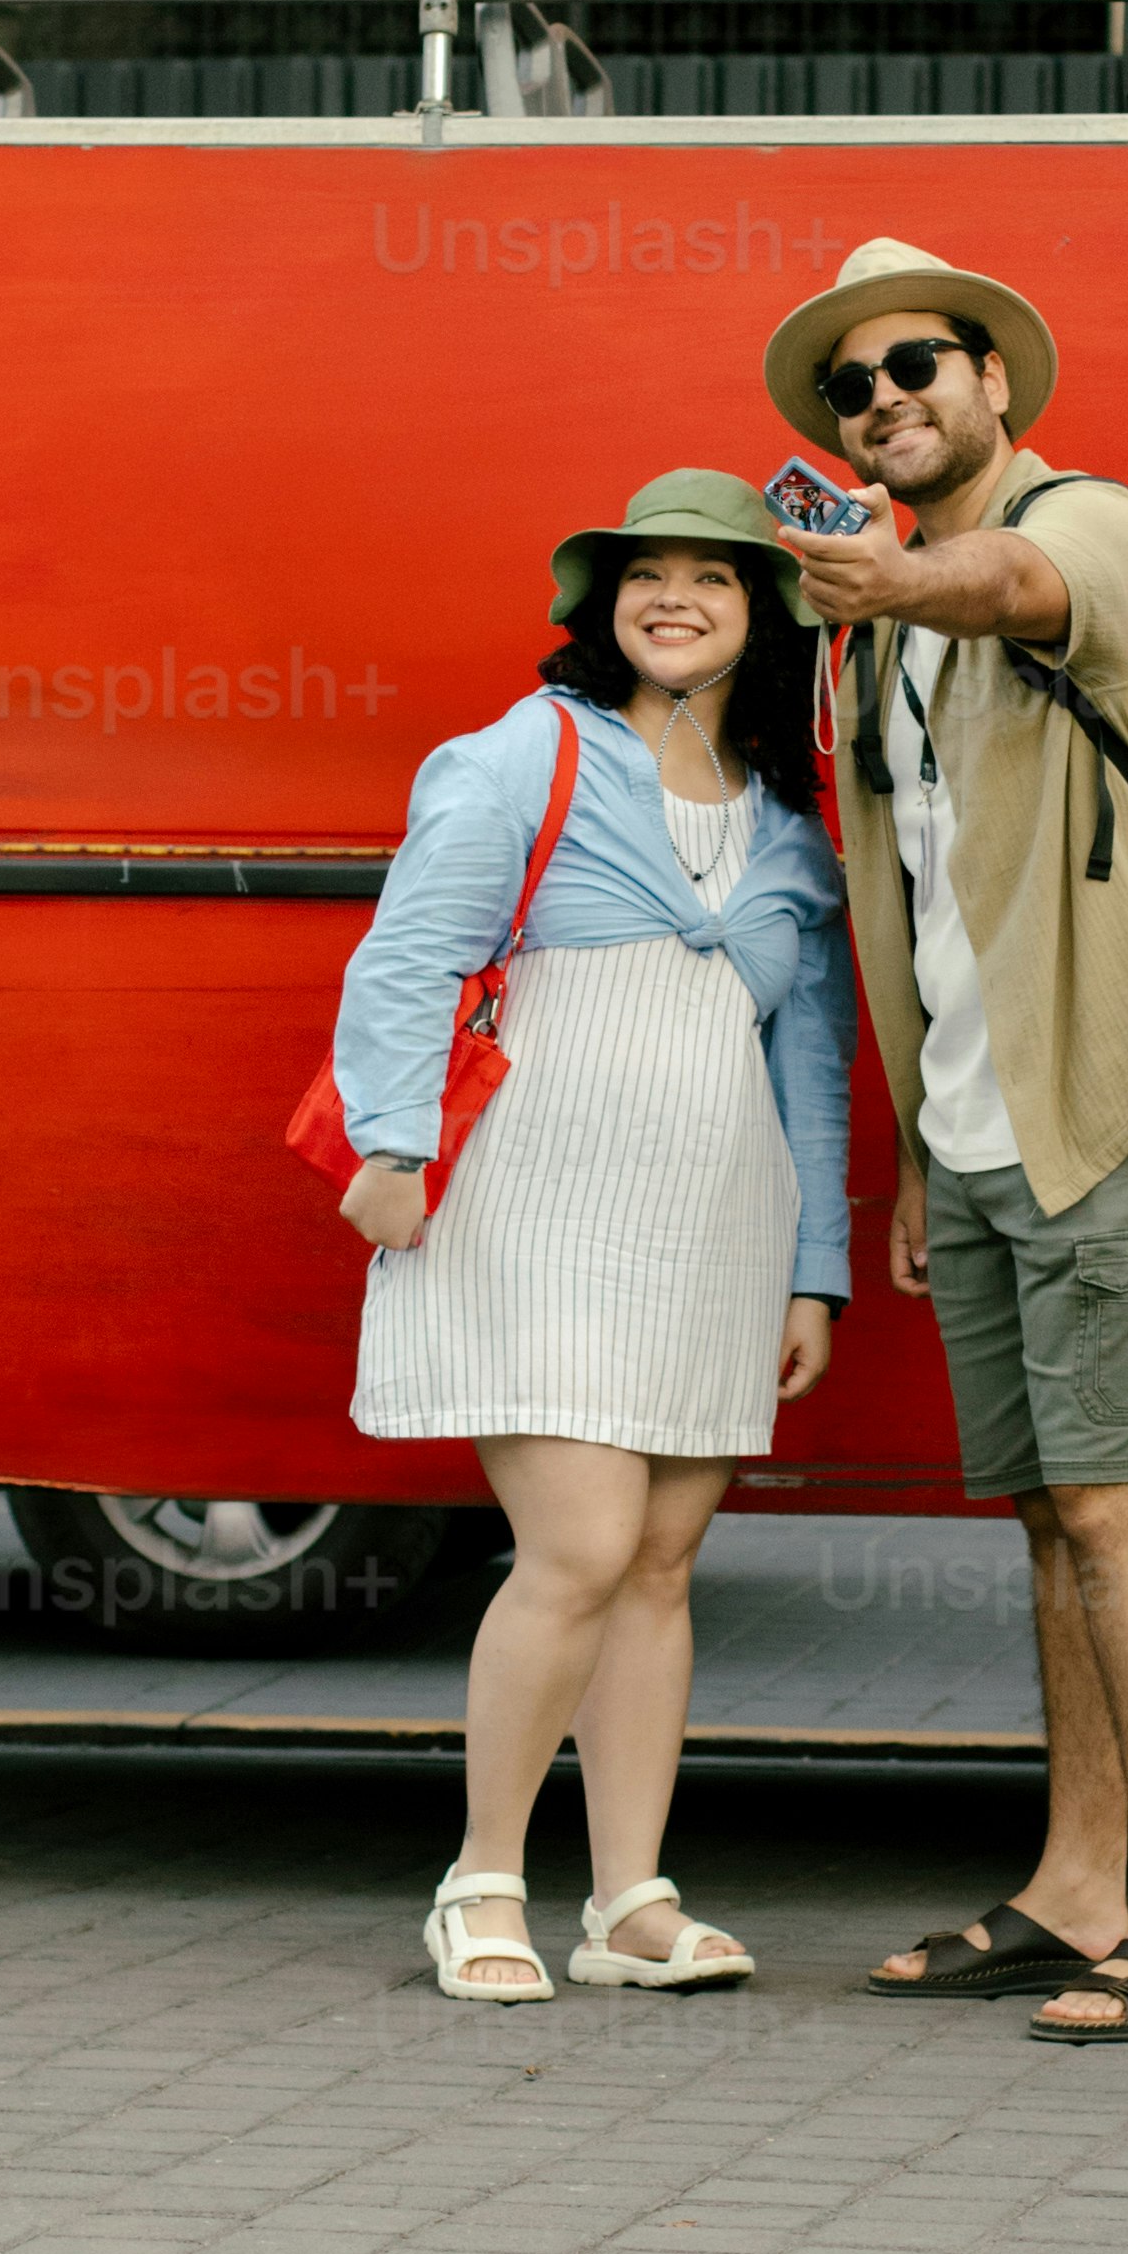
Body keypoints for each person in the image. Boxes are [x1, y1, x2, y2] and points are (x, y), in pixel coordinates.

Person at [762, 238, 1128, 2047]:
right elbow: (911, 902)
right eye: (850, 388)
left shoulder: (1090, 524)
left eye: (916, 366)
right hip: (981, 1129)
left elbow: (1010, 580)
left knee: (1124, 1505)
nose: (882, 400)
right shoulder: (869, 644)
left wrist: (889, 574)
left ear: (993, 382)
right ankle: (1070, 1889)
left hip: (1111, 1089)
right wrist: (910, 1147)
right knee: (1052, 1512)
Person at [334, 468, 853, 2004]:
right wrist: (391, 1141)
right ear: (602, 604)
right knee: (575, 1547)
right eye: (646, 573)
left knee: (662, 1564)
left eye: (713, 574)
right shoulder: (527, 753)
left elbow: (806, 1058)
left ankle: (629, 1903)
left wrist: (813, 1261)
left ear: (762, 614)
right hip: (538, 1198)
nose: (672, 596)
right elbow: (410, 953)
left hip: (713, 1220)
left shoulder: (782, 818)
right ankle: (480, 1883)